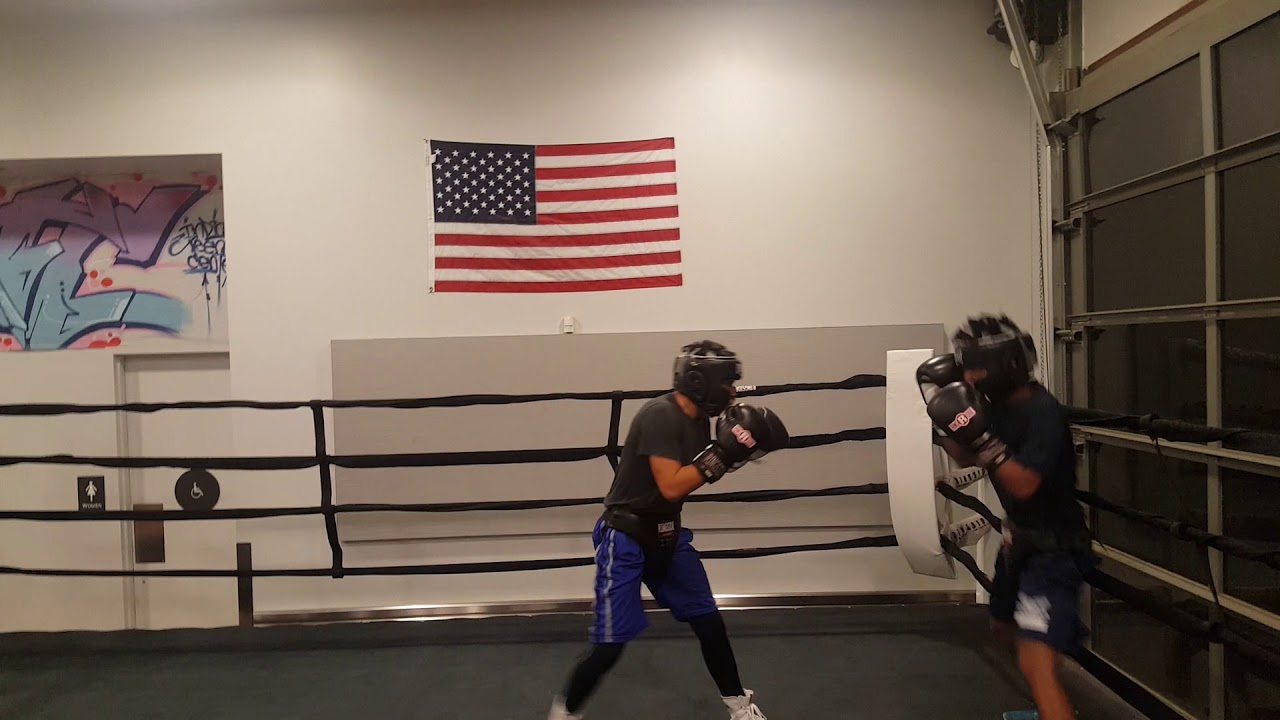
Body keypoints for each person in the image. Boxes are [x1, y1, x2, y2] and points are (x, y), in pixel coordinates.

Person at [548, 340, 789, 720]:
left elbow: (695, 474)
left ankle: (739, 708)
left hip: (667, 534)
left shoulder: (699, 419)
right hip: (626, 538)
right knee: (610, 644)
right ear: (700, 381)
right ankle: (564, 714)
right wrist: (724, 452)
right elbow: (672, 485)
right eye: (726, 382)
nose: (731, 391)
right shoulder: (660, 415)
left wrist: (736, 449)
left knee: (709, 621)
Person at [916, 314, 1095, 720]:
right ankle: (1053, 699)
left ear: (1006, 364)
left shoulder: (1042, 413)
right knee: (1003, 626)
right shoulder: (994, 407)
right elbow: (965, 455)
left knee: (1035, 659)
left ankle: (1052, 697)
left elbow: (1023, 485)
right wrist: (940, 416)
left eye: (976, 365)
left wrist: (980, 435)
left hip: (1054, 551)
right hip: (1020, 542)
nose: (971, 374)